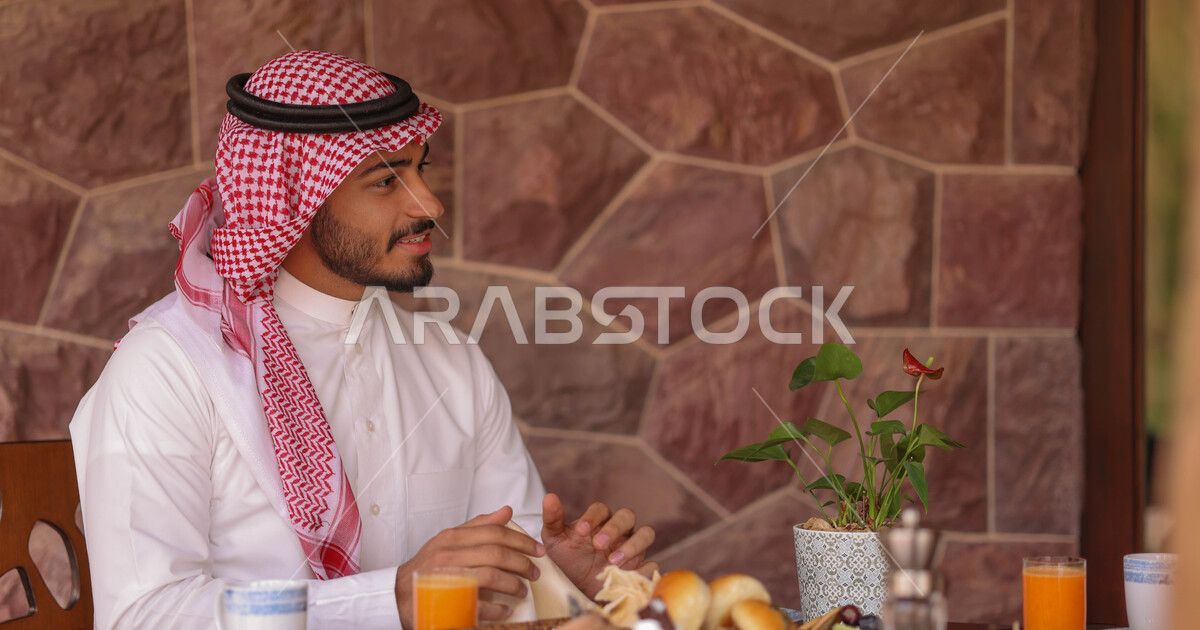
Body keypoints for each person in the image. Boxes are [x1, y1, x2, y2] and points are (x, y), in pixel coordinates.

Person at [69, 50, 656, 630]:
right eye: (385, 181)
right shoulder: (169, 369)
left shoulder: (450, 361)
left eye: (420, 168)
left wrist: (554, 583)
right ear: (295, 200)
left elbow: (497, 585)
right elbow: (142, 615)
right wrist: (392, 599)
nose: (429, 203)